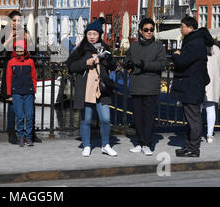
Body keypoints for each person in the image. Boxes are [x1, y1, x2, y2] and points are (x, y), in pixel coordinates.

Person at [67, 18, 118, 157]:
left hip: (102, 88)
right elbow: (70, 67)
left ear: (99, 35)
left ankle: (105, 145)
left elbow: (113, 66)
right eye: (89, 34)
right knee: (86, 120)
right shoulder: (80, 49)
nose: (92, 37)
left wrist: (108, 59)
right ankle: (87, 145)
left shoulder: (105, 48)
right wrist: (86, 62)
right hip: (86, 89)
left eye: (94, 34)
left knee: (106, 119)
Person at [123, 18, 166, 155]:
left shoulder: (159, 47)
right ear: (140, 31)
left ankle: (147, 143)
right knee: (137, 117)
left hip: (151, 85)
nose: (149, 32)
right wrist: (127, 64)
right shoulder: (134, 46)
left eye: (152, 29)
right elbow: (127, 60)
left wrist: (144, 65)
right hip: (136, 85)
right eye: (146, 30)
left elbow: (161, 65)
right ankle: (140, 142)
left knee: (148, 116)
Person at [0, 11, 40, 144]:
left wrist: (29, 40)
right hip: (11, 71)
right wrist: (10, 39)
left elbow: (33, 52)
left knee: (29, 104)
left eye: (19, 20)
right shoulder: (5, 32)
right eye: (14, 20)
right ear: (10, 21)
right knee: (12, 103)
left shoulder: (25, 32)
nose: (17, 23)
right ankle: (11, 132)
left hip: (25, 72)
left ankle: (31, 133)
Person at [171, 16, 210, 158]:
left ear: (190, 28)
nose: (181, 29)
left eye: (182, 26)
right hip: (193, 84)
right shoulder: (195, 41)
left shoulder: (194, 43)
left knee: (193, 117)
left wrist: (176, 55)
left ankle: (193, 149)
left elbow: (183, 62)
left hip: (192, 85)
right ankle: (189, 146)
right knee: (192, 117)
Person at [6, 40, 37, 147]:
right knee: (19, 116)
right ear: (15, 50)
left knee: (29, 115)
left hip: (28, 92)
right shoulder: (11, 62)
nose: (19, 52)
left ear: (25, 50)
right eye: (17, 50)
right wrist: (9, 94)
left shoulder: (30, 62)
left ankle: (28, 137)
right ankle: (21, 137)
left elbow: (34, 77)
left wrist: (34, 91)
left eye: (21, 50)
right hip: (16, 92)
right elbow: (8, 78)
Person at [198, 27, 220, 143]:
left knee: (197, 109)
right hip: (212, 82)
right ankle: (210, 135)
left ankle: (196, 133)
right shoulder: (216, 49)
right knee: (210, 108)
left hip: (200, 81)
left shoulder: (198, 47)